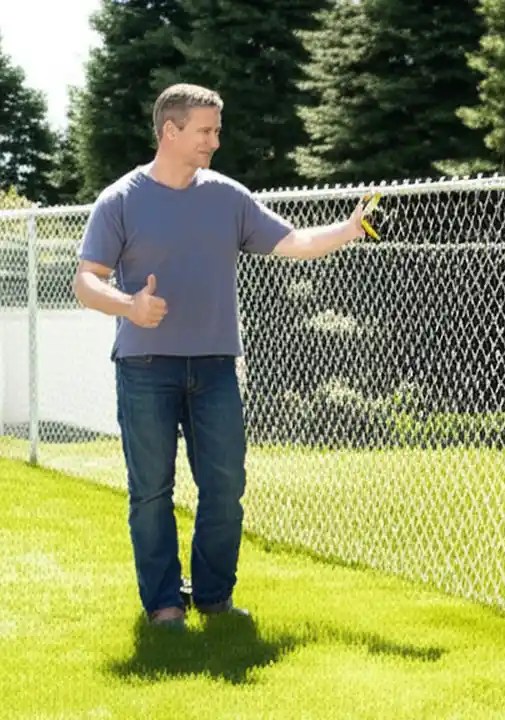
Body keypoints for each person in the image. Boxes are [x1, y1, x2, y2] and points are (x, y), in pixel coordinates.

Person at [72, 83, 374, 628]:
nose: (215, 140)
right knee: (150, 491)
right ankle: (164, 603)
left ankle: (214, 596)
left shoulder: (227, 197)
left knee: (225, 487)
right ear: (171, 131)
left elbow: (294, 243)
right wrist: (130, 306)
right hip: (145, 368)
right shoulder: (119, 200)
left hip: (215, 368)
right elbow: (87, 283)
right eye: (205, 130)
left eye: (216, 129)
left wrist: (350, 230)